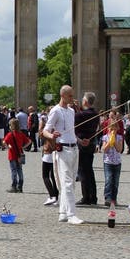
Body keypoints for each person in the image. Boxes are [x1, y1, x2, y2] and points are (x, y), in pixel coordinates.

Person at [42, 85, 84, 224]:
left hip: (74, 148)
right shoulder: (55, 111)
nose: (72, 98)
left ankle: (63, 212)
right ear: (63, 95)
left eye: (72, 95)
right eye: (70, 96)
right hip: (63, 150)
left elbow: (71, 132)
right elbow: (45, 131)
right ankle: (71, 215)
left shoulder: (71, 111)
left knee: (71, 184)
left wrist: (80, 141)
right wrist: (52, 135)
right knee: (67, 183)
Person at [75, 91, 99, 206]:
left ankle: (86, 197)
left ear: (85, 101)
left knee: (82, 171)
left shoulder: (80, 115)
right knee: (89, 170)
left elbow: (75, 125)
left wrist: (75, 110)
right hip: (91, 143)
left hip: (82, 144)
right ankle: (93, 197)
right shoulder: (96, 114)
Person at [101, 111, 124, 210]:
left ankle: (114, 198)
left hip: (117, 162)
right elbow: (104, 149)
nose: (112, 130)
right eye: (110, 128)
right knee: (108, 179)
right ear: (108, 128)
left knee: (115, 182)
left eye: (114, 128)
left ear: (117, 129)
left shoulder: (119, 137)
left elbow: (119, 149)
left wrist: (114, 141)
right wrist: (109, 142)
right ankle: (108, 198)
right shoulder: (105, 137)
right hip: (108, 162)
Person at [3, 117, 32, 193]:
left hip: (12, 155)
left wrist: (8, 147)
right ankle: (20, 186)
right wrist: (23, 147)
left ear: (11, 126)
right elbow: (29, 141)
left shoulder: (10, 134)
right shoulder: (21, 134)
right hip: (19, 155)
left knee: (13, 171)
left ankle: (14, 186)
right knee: (20, 170)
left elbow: (4, 142)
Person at [39, 111, 58, 205]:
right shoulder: (58, 125)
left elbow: (41, 135)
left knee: (45, 175)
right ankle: (56, 197)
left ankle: (52, 196)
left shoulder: (48, 127)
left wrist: (41, 125)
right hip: (57, 151)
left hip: (49, 151)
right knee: (54, 176)